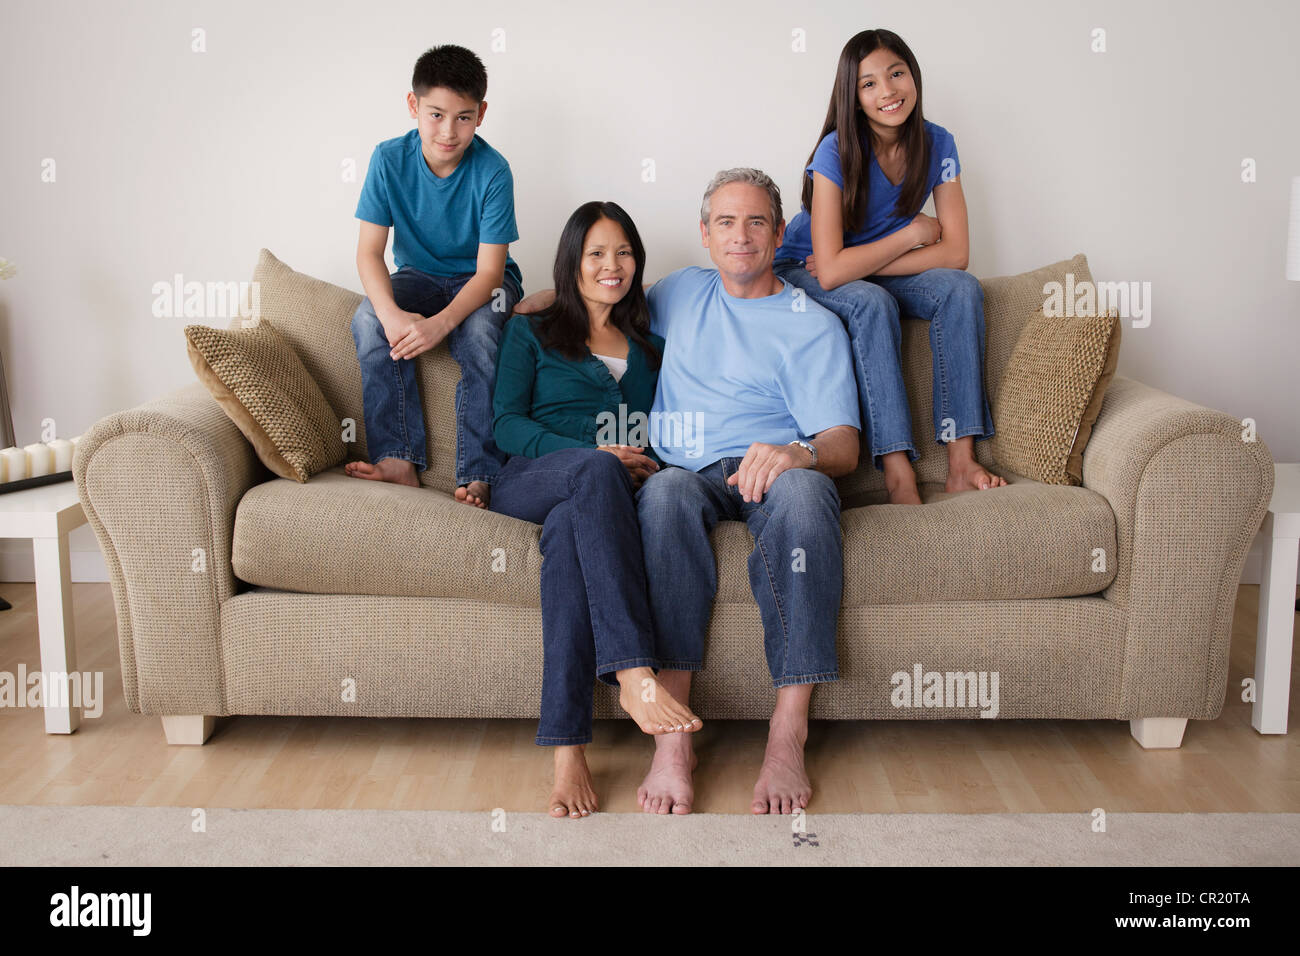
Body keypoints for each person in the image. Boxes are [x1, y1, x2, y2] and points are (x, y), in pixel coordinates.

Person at [521, 170, 861, 815]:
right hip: (684, 469)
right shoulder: (680, 292)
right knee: (665, 498)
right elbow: (605, 292)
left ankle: (788, 732)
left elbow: (843, 441)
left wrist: (797, 453)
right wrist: (543, 300)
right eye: (726, 223)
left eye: (757, 221)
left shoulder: (812, 324)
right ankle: (673, 741)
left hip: (774, 468)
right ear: (704, 235)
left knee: (810, 498)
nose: (741, 236)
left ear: (779, 233)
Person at [490, 201, 702, 820]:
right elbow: (506, 423)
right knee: (594, 467)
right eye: (597, 254)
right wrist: (594, 452)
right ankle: (635, 671)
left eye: (624, 253)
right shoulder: (531, 331)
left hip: (606, 496)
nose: (613, 266)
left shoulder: (653, 347)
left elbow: (670, 429)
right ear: (573, 263)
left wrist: (650, 463)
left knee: (567, 546)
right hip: (534, 476)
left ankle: (567, 748)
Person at [772, 28, 1005, 505]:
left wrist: (864, 262)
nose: (888, 91)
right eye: (869, 83)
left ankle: (961, 461)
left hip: (861, 267)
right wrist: (913, 235)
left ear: (913, 76)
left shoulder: (939, 145)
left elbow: (957, 254)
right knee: (869, 301)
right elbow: (832, 272)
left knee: (960, 289)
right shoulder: (834, 152)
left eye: (896, 74)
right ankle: (898, 470)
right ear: (854, 98)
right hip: (803, 266)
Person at [346, 44, 523, 508]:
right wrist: (390, 314)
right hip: (418, 275)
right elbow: (368, 253)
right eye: (437, 114)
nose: (449, 131)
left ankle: (480, 471)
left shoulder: (493, 171)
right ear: (413, 106)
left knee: (483, 331)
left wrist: (440, 323)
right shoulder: (388, 160)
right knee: (367, 320)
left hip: (485, 282)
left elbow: (490, 272)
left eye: (463, 117)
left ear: (481, 114)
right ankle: (397, 457)